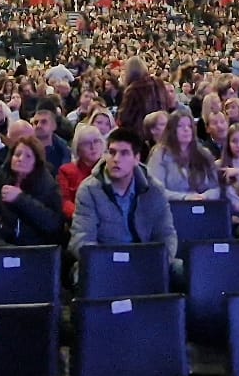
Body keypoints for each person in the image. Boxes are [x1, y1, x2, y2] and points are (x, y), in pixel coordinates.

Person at [67, 127, 177, 264]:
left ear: (136, 159)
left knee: (182, 271)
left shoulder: (154, 189)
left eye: (124, 153)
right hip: (104, 262)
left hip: (145, 260)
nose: (116, 159)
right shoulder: (89, 190)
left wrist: (157, 262)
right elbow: (81, 239)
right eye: (112, 153)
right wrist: (108, 263)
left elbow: (166, 234)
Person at [0, 132, 64, 246]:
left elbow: (53, 225)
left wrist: (21, 199)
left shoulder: (48, 186)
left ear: (36, 162)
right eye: (17, 154)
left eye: (28, 156)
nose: (20, 159)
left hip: (36, 250)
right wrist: (7, 250)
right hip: (1, 250)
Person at [147, 112, 220, 201]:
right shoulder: (160, 154)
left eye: (189, 126)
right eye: (180, 126)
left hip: (203, 205)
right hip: (172, 208)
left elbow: (217, 187)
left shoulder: (204, 154)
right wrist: (185, 197)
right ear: (172, 130)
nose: (186, 129)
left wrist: (205, 196)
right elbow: (155, 190)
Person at [57, 127, 105, 219]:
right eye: (87, 143)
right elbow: (64, 202)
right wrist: (84, 217)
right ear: (77, 148)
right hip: (78, 220)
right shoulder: (66, 171)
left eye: (96, 141)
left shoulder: (110, 169)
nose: (93, 147)